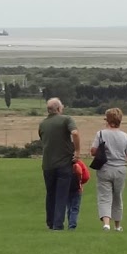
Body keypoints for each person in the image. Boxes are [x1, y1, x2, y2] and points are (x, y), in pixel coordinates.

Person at [91, 108, 127, 232]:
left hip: (105, 169)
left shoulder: (100, 134)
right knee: (117, 197)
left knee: (104, 196)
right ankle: (117, 226)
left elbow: (93, 151)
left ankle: (106, 224)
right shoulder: (124, 136)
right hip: (120, 170)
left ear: (107, 120)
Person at [38, 97, 80, 231]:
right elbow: (75, 133)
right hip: (64, 163)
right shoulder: (66, 119)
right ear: (59, 108)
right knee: (61, 195)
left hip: (47, 164)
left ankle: (50, 222)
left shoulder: (43, 124)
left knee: (50, 194)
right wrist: (77, 151)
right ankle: (58, 224)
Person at [67, 156, 90, 230]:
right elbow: (86, 176)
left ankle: (69, 222)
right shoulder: (79, 163)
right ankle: (72, 225)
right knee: (75, 207)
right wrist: (81, 183)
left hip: (66, 188)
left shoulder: (64, 163)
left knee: (69, 206)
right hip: (77, 188)